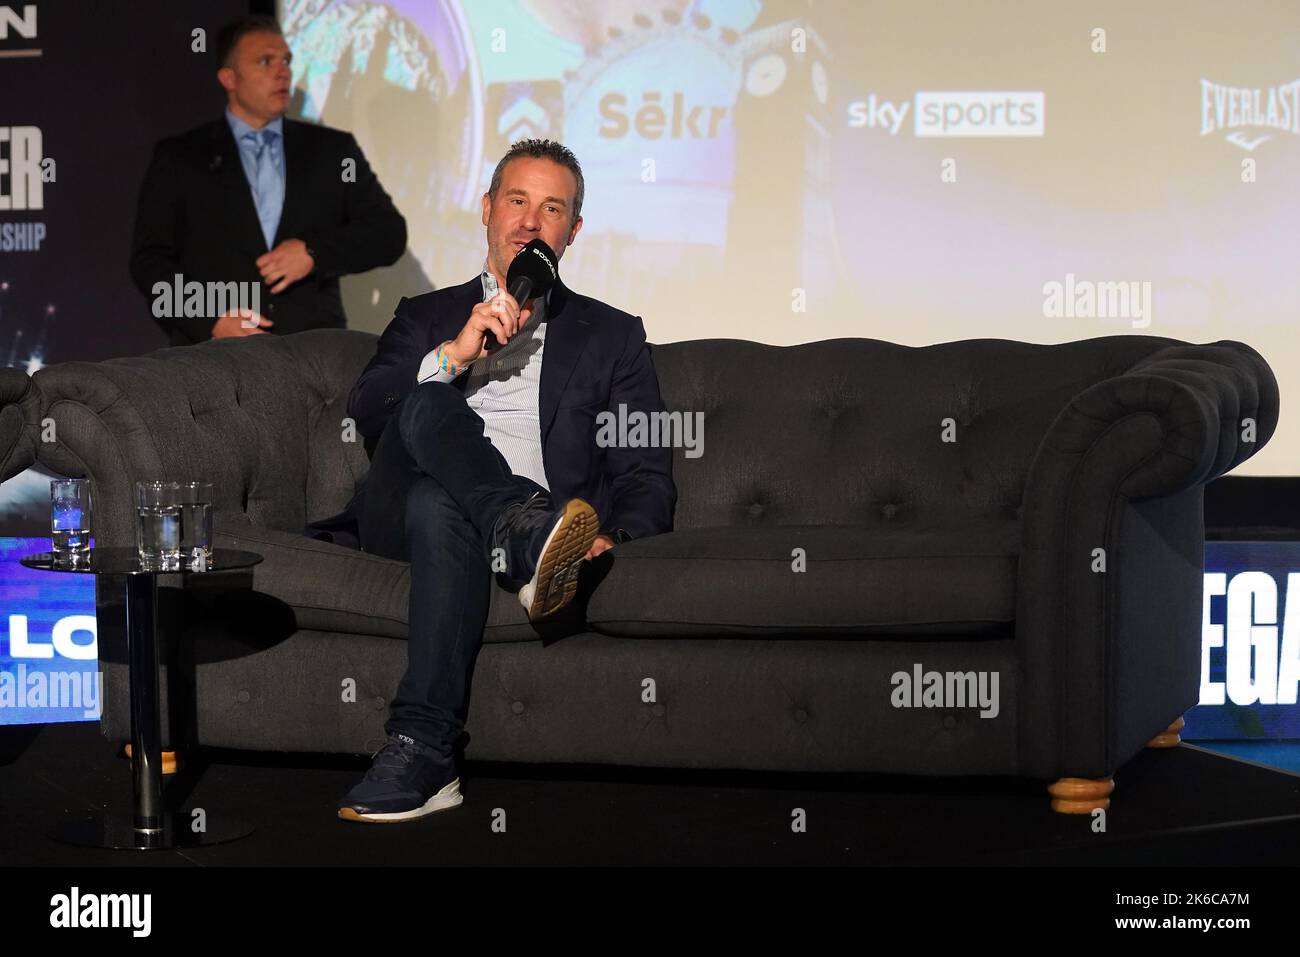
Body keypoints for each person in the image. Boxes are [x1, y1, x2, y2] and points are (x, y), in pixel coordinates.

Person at [338, 139, 676, 823]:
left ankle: (423, 749)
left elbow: (645, 468)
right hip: (394, 516)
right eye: (517, 201)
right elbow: (368, 410)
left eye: (552, 208)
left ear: (572, 233)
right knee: (428, 398)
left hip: (475, 529)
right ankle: (522, 527)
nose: (530, 221)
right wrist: (455, 354)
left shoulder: (611, 336)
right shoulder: (426, 315)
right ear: (488, 210)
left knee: (445, 501)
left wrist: (615, 536)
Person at [129, 14, 406, 346]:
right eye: (265, 61)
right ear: (229, 78)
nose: (283, 71)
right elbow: (150, 261)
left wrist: (314, 252)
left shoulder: (332, 151)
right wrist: (209, 320)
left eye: (286, 60)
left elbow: (388, 233)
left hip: (314, 356)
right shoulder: (180, 157)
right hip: (213, 358)